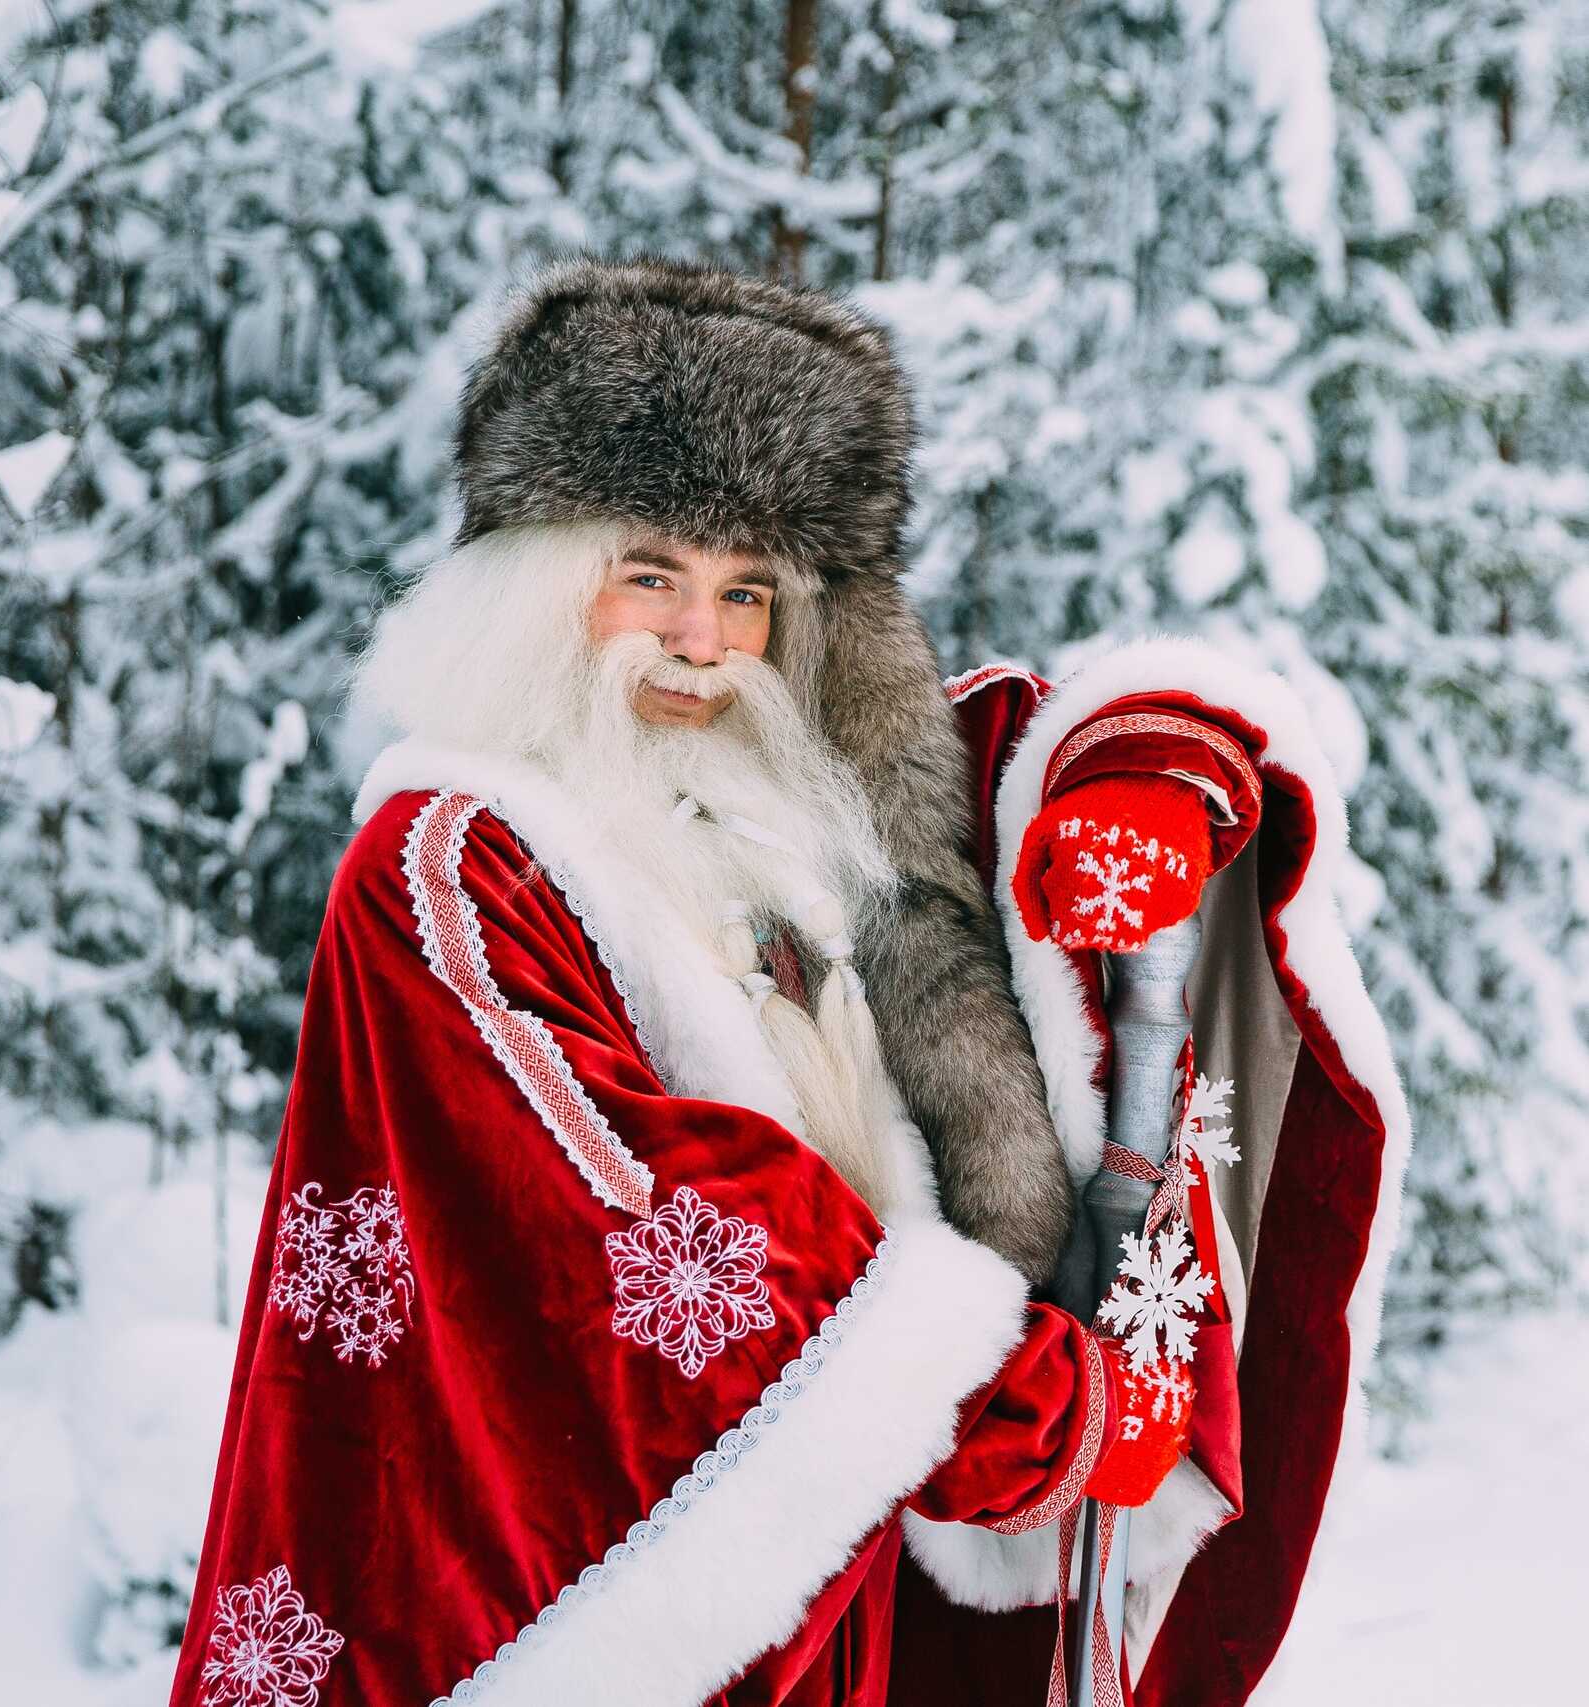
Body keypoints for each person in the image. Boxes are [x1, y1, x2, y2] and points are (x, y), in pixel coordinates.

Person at [168, 255, 1408, 1707]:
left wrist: (1148, 766)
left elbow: (1002, 760)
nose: (704, 641)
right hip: (554, 1625)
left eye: (747, 590)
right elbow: (655, 1233)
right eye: (652, 577)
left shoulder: (778, 832)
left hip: (805, 1611)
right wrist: (1027, 1409)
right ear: (540, 579)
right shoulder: (450, 860)